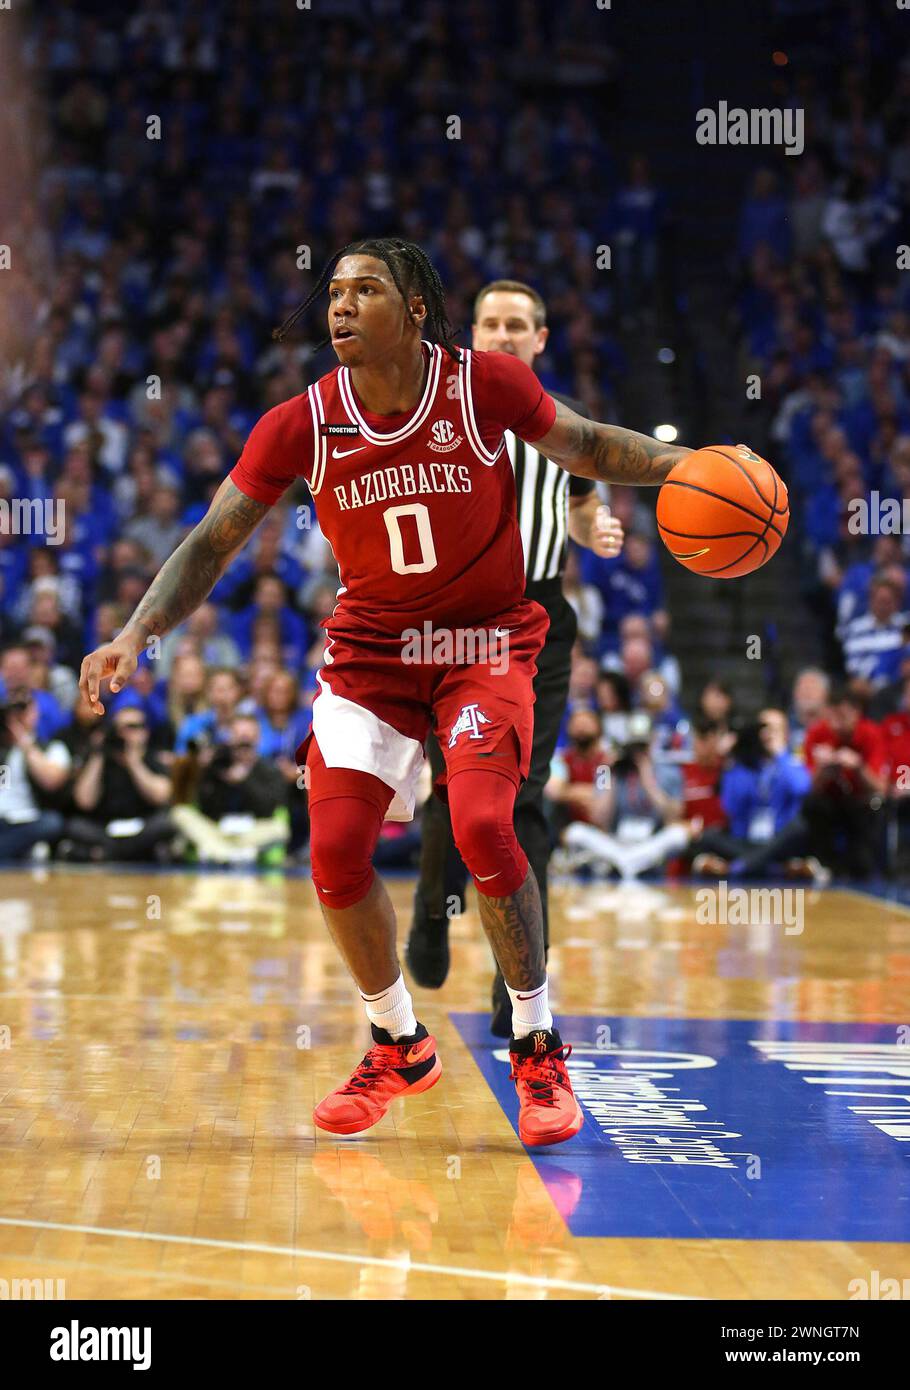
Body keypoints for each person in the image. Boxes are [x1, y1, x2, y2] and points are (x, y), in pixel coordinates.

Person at [79, 236, 700, 1148]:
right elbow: (213, 541)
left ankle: (535, 1043)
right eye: (333, 290)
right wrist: (137, 632)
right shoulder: (300, 424)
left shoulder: (481, 385)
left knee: (488, 822)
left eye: (365, 289)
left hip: (484, 642)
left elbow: (589, 446)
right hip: (372, 654)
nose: (339, 305)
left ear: (414, 310)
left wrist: (689, 466)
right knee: (332, 849)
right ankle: (397, 1041)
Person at [405, 277, 624, 1034]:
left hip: (538, 617)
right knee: (450, 789)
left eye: (516, 326)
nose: (502, 336)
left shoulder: (561, 423)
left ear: (539, 341)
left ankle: (519, 976)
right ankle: (431, 912)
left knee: (523, 795)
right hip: (454, 620)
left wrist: (595, 525)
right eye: (490, 324)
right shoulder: (436, 414)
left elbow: (582, 495)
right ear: (469, 335)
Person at [170, 714, 290, 866]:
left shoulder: (269, 769)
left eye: (248, 739)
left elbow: (268, 809)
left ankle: (219, 853)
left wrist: (246, 781)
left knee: (280, 829)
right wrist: (208, 771)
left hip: (251, 831)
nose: (243, 744)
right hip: (217, 829)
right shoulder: (217, 763)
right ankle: (233, 854)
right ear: (230, 737)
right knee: (180, 813)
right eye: (239, 737)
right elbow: (204, 806)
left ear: (258, 739)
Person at [62, 706, 174, 862]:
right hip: (106, 829)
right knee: (75, 826)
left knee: (167, 822)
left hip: (142, 828)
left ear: (145, 732)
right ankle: (131, 854)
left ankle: (105, 854)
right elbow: (84, 801)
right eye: (119, 728)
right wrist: (98, 755)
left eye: (133, 727)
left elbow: (162, 796)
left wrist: (133, 761)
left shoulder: (152, 759)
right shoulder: (101, 759)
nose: (126, 733)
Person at [0, 691, 70, 861]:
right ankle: (22, 851)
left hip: (28, 820)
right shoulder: (2, 749)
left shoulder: (52, 748)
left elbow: (51, 781)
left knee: (53, 823)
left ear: (35, 714)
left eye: (23, 709)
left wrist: (24, 741)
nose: (18, 715)